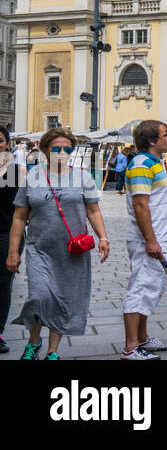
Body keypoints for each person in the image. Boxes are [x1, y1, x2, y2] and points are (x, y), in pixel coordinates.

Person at [6, 128, 109, 360]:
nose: (62, 153)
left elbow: (93, 210)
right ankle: (34, 341)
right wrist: (13, 251)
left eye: (67, 149)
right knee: (39, 297)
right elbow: (19, 217)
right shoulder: (32, 177)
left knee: (64, 299)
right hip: (39, 249)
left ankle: (52, 351)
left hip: (72, 252)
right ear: (44, 150)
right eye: (56, 149)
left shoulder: (83, 177)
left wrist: (103, 237)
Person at [122, 119, 167, 361]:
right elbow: (140, 204)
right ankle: (131, 346)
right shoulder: (141, 164)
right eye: (166, 135)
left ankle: (142, 339)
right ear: (152, 141)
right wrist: (151, 240)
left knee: (150, 289)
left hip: (157, 236)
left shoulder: (153, 163)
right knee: (140, 290)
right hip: (150, 238)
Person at [0, 126, 17, 354]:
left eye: (0, 140)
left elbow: (17, 207)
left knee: (2, 284)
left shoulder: (13, 171)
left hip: (5, 232)